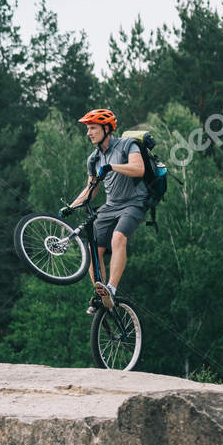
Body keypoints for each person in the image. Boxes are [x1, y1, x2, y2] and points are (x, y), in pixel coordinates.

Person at [63, 109, 147, 312]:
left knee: (118, 238)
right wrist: (70, 207)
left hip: (134, 202)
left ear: (107, 128)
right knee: (92, 248)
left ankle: (112, 288)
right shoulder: (93, 158)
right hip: (110, 206)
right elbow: (91, 190)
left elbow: (139, 169)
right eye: (87, 129)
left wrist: (112, 166)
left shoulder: (128, 145)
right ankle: (102, 296)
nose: (88, 133)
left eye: (92, 128)